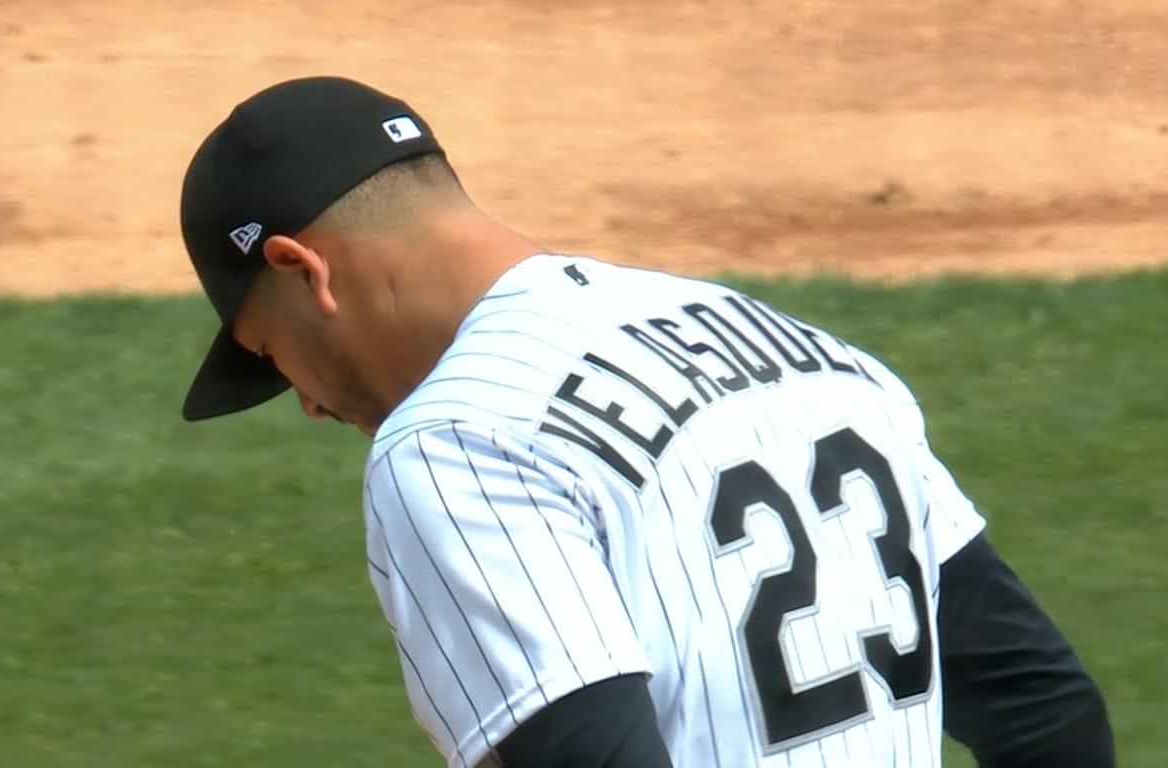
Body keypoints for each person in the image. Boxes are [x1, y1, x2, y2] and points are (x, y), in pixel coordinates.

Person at [177, 76, 1115, 767]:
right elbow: (1045, 710)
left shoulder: (456, 442)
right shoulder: (805, 351)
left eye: (270, 352)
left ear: (309, 271)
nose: (304, 399)